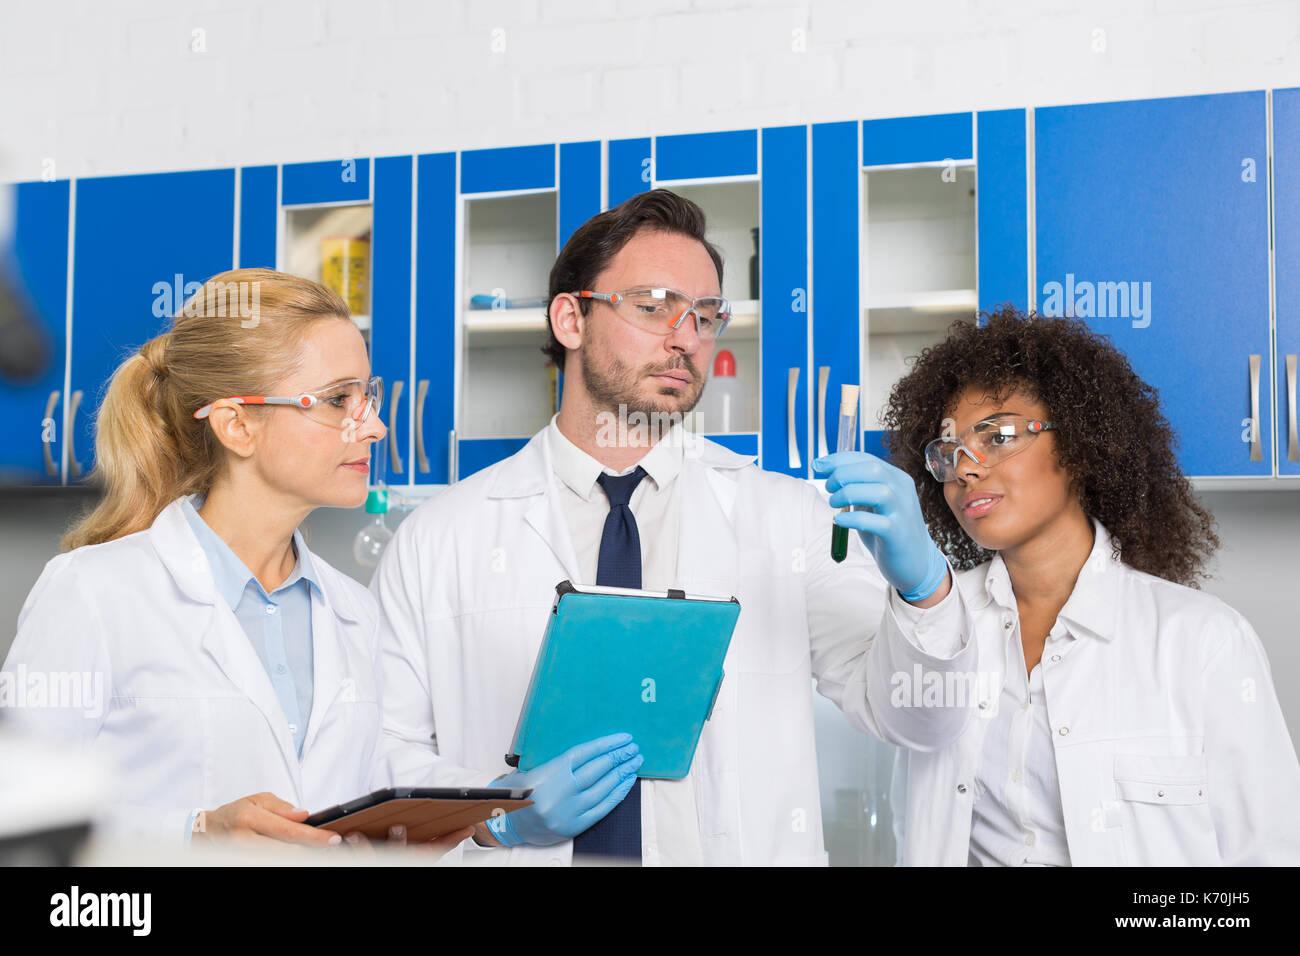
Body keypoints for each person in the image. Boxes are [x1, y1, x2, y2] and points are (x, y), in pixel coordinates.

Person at [368, 189, 951, 866]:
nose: (686, 339)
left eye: (706, 316)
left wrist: (923, 594)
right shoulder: (440, 539)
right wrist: (497, 810)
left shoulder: (787, 519)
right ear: (571, 318)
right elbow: (379, 751)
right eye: (653, 307)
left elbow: (918, 719)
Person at [2, 268, 471, 855]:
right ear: (237, 424)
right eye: (337, 400)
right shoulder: (94, 592)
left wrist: (497, 805)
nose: (373, 426)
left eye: (368, 396)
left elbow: (368, 781)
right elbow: (16, 814)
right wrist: (196, 830)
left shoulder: (353, 608)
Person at [814, 306, 1300, 865]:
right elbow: (902, 716)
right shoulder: (936, 618)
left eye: (997, 438)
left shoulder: (1202, 642)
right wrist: (921, 594)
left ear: (1078, 444)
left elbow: (1269, 853)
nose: (967, 469)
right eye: (949, 453)